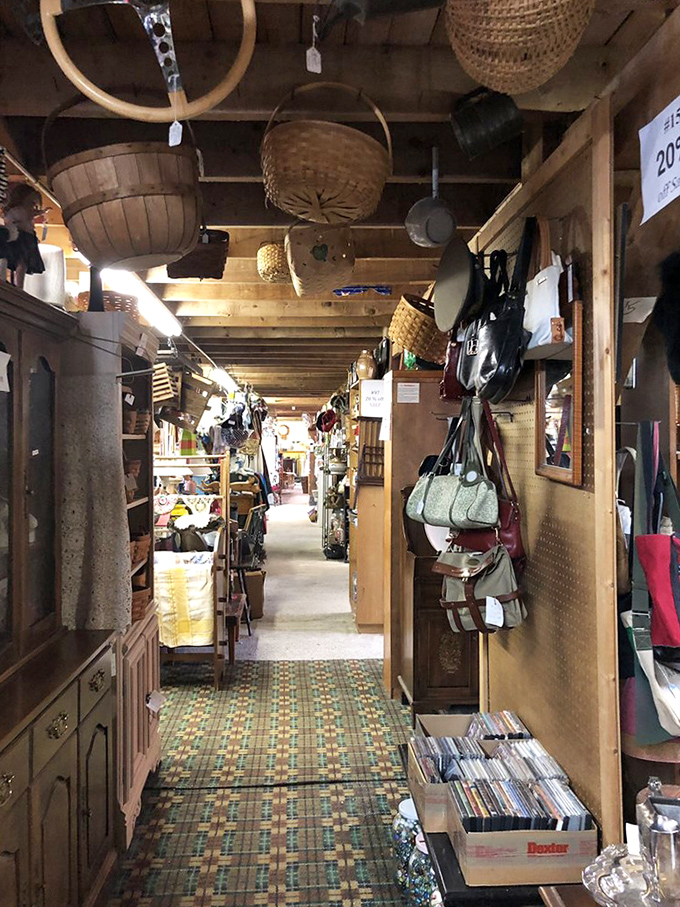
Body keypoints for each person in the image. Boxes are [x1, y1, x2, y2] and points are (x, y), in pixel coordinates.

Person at [0, 183, 46, 289]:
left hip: (23, 236)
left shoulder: (18, 210)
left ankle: (17, 284)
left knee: (20, 262)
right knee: (22, 262)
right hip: (23, 237)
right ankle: (19, 285)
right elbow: (14, 221)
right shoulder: (20, 210)